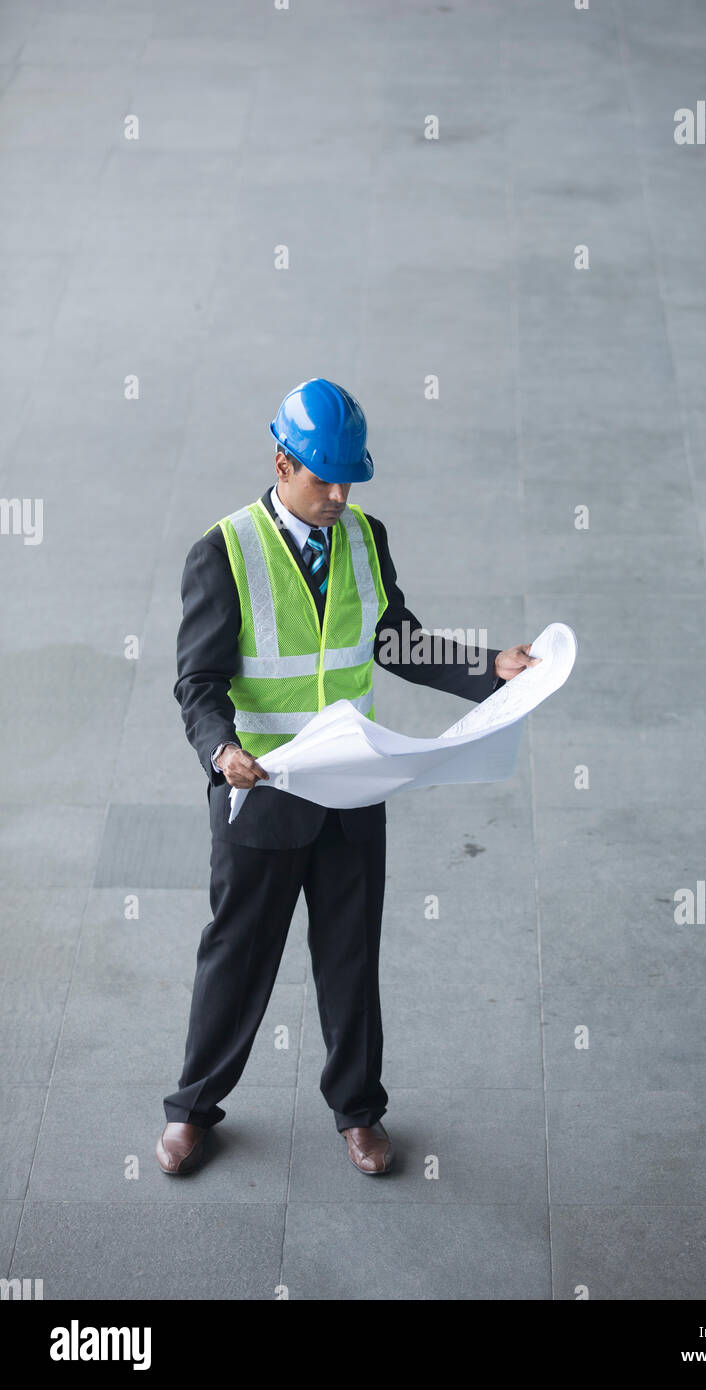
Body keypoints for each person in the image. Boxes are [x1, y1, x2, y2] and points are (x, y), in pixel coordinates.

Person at [157, 378, 538, 1177]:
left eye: (349, 478)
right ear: (281, 462)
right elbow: (197, 684)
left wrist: (488, 667)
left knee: (350, 958)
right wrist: (222, 753)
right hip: (262, 794)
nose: (338, 494)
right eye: (323, 478)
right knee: (237, 954)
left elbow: (394, 640)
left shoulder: (366, 535)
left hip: (353, 794)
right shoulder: (223, 551)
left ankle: (358, 1112)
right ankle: (193, 1109)